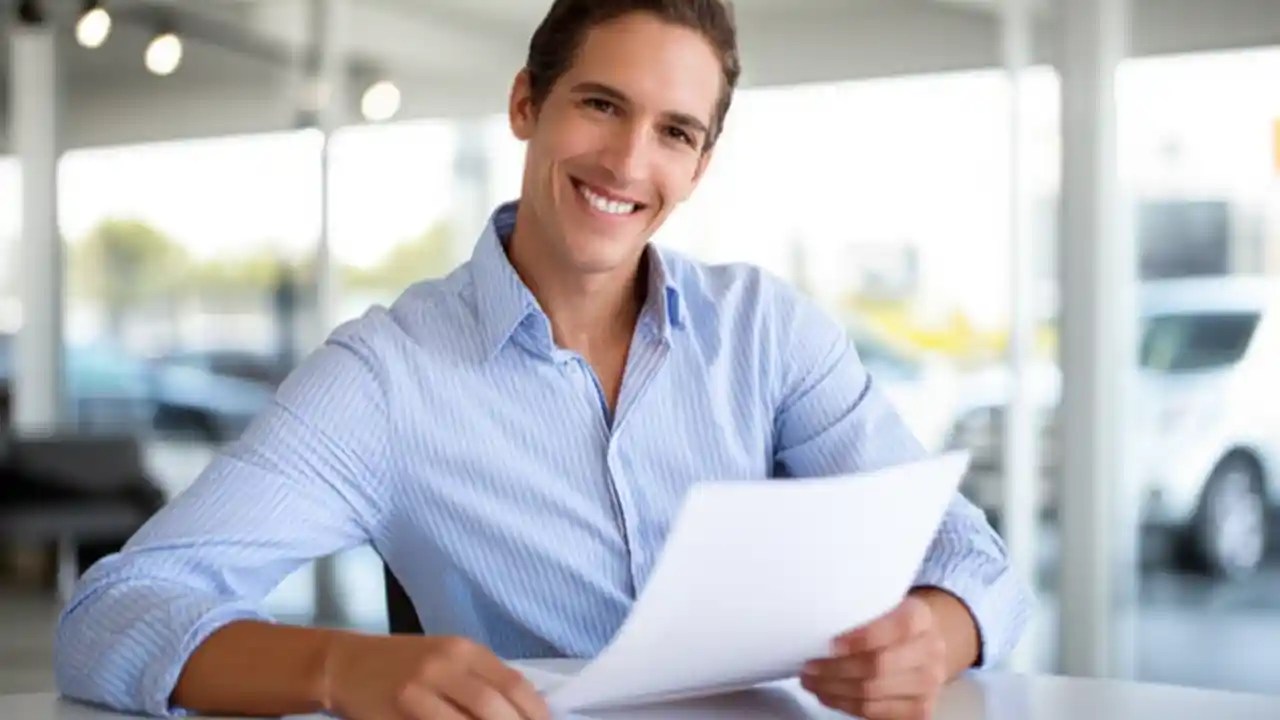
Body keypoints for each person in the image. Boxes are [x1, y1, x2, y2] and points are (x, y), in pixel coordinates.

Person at [54, 1, 1031, 719]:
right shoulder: (386, 377)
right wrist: (339, 668)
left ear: (698, 166)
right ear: (527, 102)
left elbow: (969, 557)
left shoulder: (768, 335)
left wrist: (933, 635)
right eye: (601, 105)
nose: (627, 162)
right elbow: (111, 615)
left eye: (674, 133)